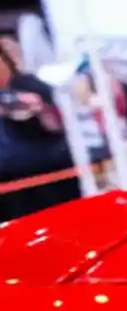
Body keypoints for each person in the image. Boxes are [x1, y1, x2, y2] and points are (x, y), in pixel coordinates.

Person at [0, 37, 79, 222]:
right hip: (12, 184)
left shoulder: (30, 85)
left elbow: (58, 125)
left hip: (48, 175)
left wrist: (40, 110)